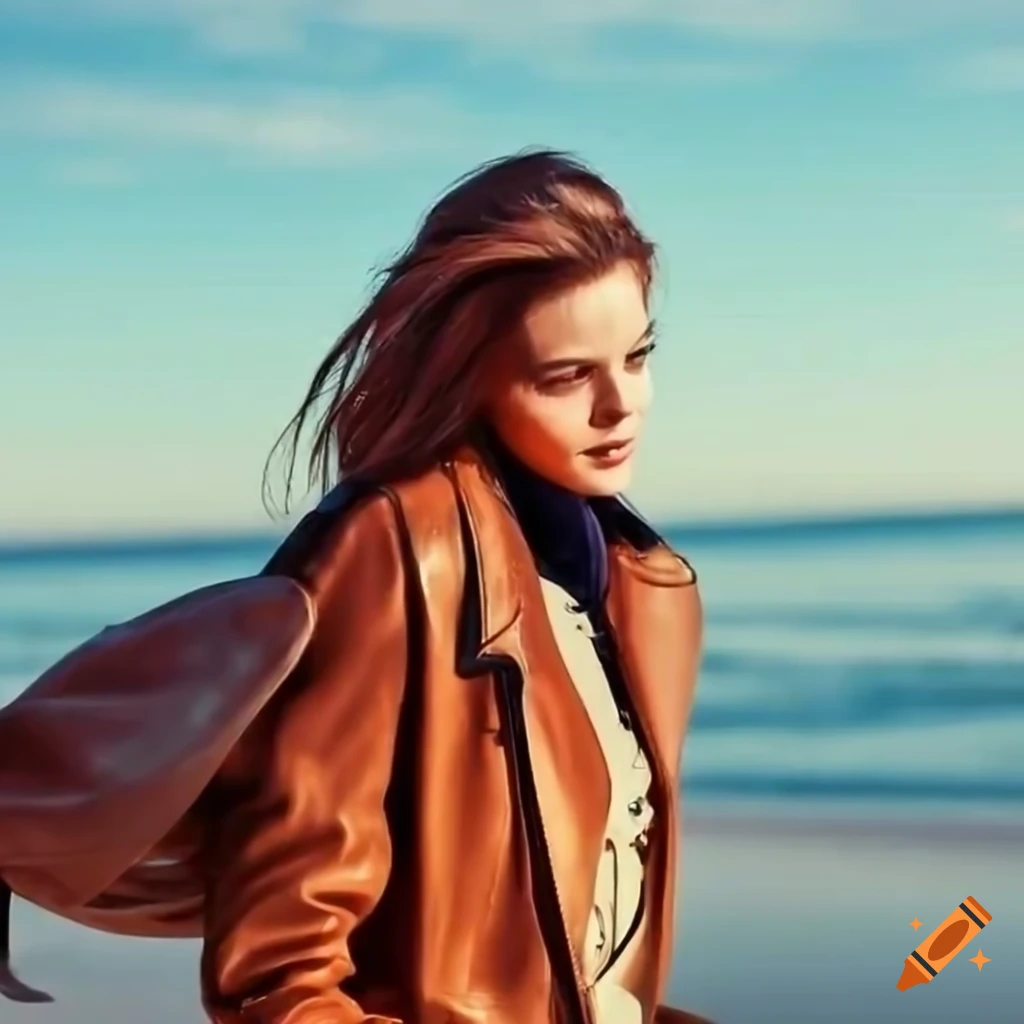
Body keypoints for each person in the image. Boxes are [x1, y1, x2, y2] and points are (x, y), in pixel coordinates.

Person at [1, 149, 708, 1024]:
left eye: (638, 356)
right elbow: (281, 978)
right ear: (469, 373)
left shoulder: (644, 588)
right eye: (566, 375)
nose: (620, 404)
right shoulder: (394, 553)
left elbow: (585, 963)